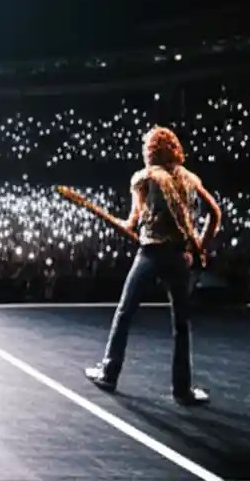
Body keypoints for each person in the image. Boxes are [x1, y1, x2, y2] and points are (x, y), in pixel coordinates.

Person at [85, 126, 221, 405]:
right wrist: (198, 246)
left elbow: (131, 222)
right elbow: (215, 214)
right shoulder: (190, 179)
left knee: (125, 313)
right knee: (181, 324)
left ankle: (109, 373)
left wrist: (119, 224)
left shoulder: (144, 178)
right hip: (179, 258)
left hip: (150, 254)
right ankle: (182, 390)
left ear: (151, 151)